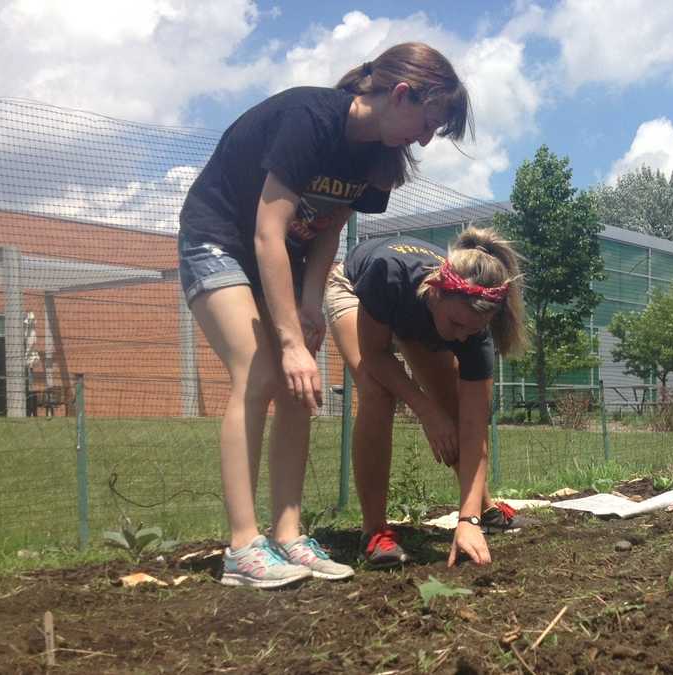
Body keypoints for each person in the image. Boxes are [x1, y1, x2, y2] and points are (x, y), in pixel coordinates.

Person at [176, 42, 473, 588]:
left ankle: (288, 536)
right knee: (263, 369)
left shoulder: (375, 159)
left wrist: (309, 309)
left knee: (300, 388)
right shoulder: (308, 120)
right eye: (427, 123)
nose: (426, 139)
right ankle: (242, 547)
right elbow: (268, 231)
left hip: (286, 260)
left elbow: (326, 231)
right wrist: (288, 340)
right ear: (401, 93)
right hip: (219, 241)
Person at [326, 227, 526, 568]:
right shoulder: (388, 273)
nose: (462, 337)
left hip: (417, 316)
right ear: (436, 292)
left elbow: (473, 428)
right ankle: (374, 532)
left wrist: (466, 522)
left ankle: (480, 510)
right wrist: (425, 411)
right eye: (457, 324)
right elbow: (375, 355)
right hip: (357, 289)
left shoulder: (473, 333)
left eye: (472, 331)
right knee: (377, 391)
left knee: (453, 406)